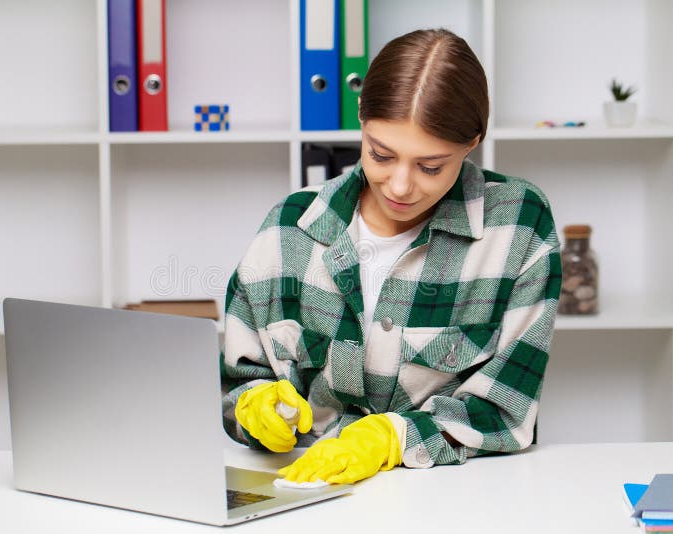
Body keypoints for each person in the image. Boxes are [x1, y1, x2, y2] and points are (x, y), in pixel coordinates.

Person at [220, 28, 562, 485]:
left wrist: (392, 437)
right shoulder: (289, 226)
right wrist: (254, 406)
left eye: (430, 166)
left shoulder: (519, 225)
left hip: (451, 501)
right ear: (361, 117)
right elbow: (240, 381)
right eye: (381, 155)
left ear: (473, 141)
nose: (400, 186)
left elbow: (506, 409)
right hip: (304, 494)